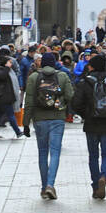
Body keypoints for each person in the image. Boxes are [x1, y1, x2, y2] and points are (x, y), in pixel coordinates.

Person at [71, 53, 106, 198]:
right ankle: (104, 176)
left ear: (92, 67)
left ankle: (96, 184)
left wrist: (86, 114)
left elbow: (75, 104)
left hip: (91, 124)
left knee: (93, 155)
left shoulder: (85, 83)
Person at [23, 52, 74, 199]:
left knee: (43, 152)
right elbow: (70, 95)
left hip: (39, 119)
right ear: (55, 62)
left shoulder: (33, 77)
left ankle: (44, 186)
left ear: (41, 63)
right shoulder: (63, 76)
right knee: (55, 151)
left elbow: (29, 101)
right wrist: (61, 101)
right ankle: (51, 184)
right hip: (57, 117)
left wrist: (26, 123)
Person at [0, 52, 23, 138]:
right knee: (11, 115)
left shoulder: (8, 70)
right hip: (3, 97)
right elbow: (2, 76)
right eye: (9, 62)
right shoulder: (0, 69)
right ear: (5, 63)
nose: (11, 63)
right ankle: (18, 132)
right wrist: (7, 67)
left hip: (3, 97)